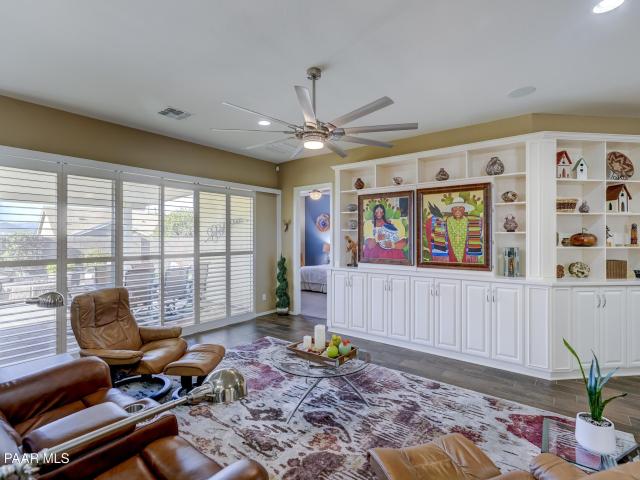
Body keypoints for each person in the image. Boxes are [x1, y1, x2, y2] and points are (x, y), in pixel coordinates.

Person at [424, 196, 483, 264]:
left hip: (465, 255)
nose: (458, 210)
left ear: (464, 209)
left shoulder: (472, 221)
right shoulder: (445, 220)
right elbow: (429, 222)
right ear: (451, 210)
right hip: (450, 254)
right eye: (455, 208)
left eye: (460, 208)